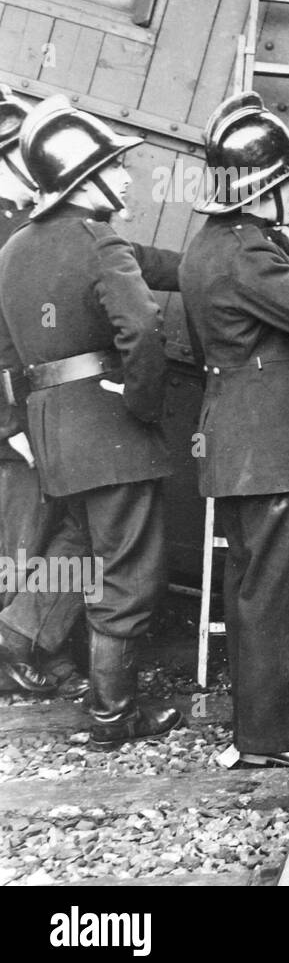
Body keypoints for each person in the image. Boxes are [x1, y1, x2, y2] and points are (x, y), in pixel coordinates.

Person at [0, 96, 181, 746]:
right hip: (110, 434)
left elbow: (7, 349)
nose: (128, 178)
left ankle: (19, 634)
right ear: (86, 181)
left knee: (82, 551)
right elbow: (143, 328)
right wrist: (140, 409)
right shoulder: (97, 240)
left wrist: (27, 420)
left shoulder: (17, 247)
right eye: (114, 167)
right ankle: (112, 718)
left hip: (54, 438)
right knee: (127, 575)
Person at [179, 92, 289, 767]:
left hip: (242, 447)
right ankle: (275, 738)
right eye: (287, 183)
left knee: (258, 590)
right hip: (274, 452)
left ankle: (263, 730)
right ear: (270, 189)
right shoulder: (251, 253)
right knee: (283, 595)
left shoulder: (208, 247)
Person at [0, 88, 90, 699]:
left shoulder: (23, 223)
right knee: (22, 536)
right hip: (12, 417)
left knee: (46, 531)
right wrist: (8, 425)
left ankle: (24, 639)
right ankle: (16, 647)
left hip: (34, 410)